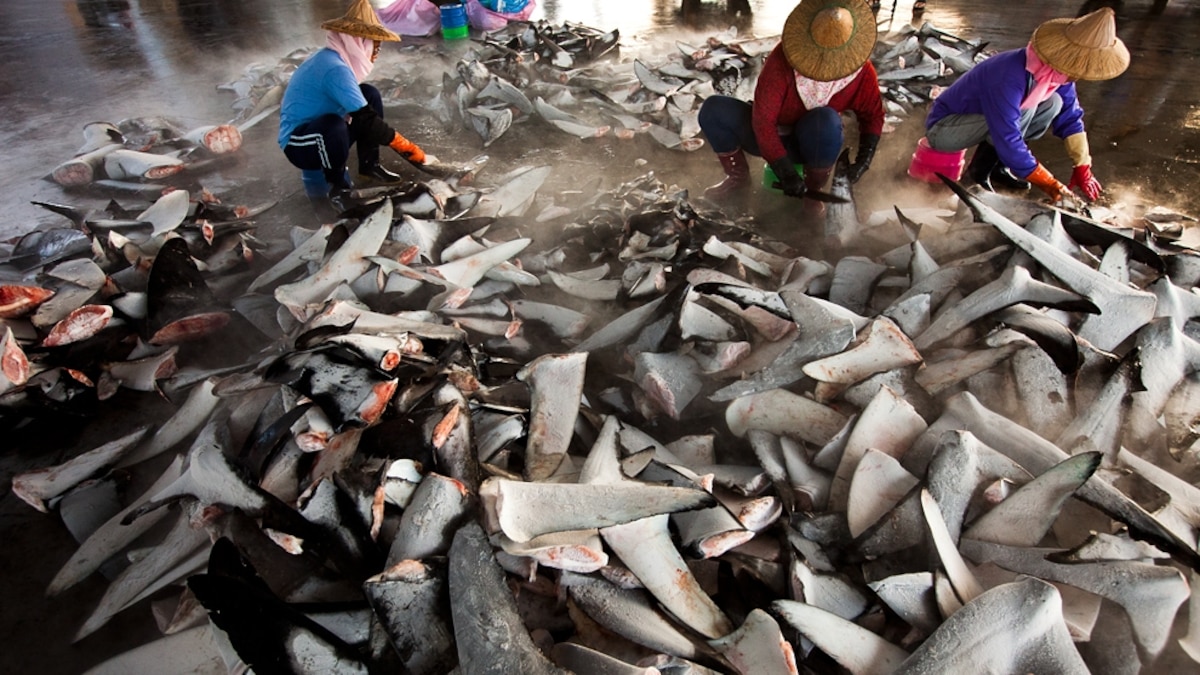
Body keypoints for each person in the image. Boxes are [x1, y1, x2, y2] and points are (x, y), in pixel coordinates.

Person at [696, 0, 884, 218]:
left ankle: (813, 192)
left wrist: (864, 158)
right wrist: (783, 171)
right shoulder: (781, 60)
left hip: (815, 144)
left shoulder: (861, 71)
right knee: (713, 109)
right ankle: (737, 179)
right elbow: (763, 121)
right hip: (770, 136)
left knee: (827, 120)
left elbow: (873, 115)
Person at [923, 8, 1128, 203]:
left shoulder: (1055, 73)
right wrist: (1047, 182)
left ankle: (999, 168)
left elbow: (1070, 116)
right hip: (945, 129)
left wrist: (1082, 165)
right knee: (1023, 111)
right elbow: (1007, 135)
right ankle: (975, 177)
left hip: (987, 123)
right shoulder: (1009, 76)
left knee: (1052, 103)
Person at [278, 0, 427, 210]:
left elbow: (363, 111)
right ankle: (337, 188)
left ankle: (369, 165)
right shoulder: (334, 68)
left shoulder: (338, 60)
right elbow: (366, 119)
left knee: (369, 94)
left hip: (323, 134)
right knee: (334, 125)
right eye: (374, 43)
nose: (376, 50)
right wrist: (408, 148)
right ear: (358, 41)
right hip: (300, 143)